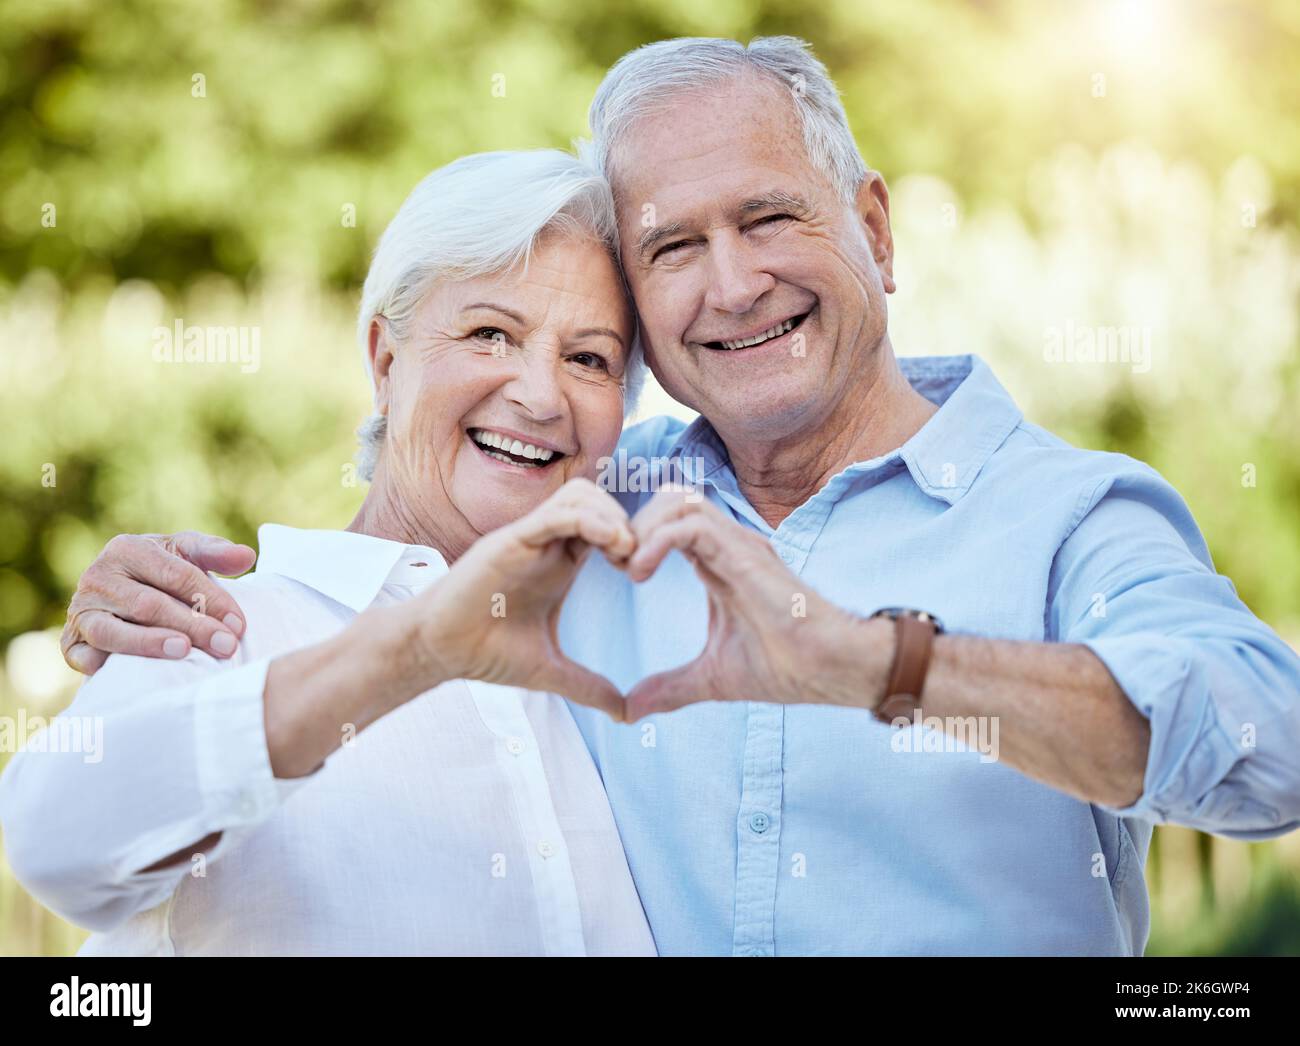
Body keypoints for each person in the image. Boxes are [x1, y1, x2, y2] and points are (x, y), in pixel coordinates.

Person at [49, 37, 1300, 956]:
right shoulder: (601, 506)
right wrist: (138, 594)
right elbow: (424, 510)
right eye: (671, 248)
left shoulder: (1067, 518)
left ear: (874, 227)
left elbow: (1266, 750)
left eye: (768, 217)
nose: (733, 282)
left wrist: (880, 662)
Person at [0, 149, 658, 956]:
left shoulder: (616, 635)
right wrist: (410, 650)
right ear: (386, 361)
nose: (540, 393)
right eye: (490, 333)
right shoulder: (217, 623)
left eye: (589, 358)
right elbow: (53, 843)